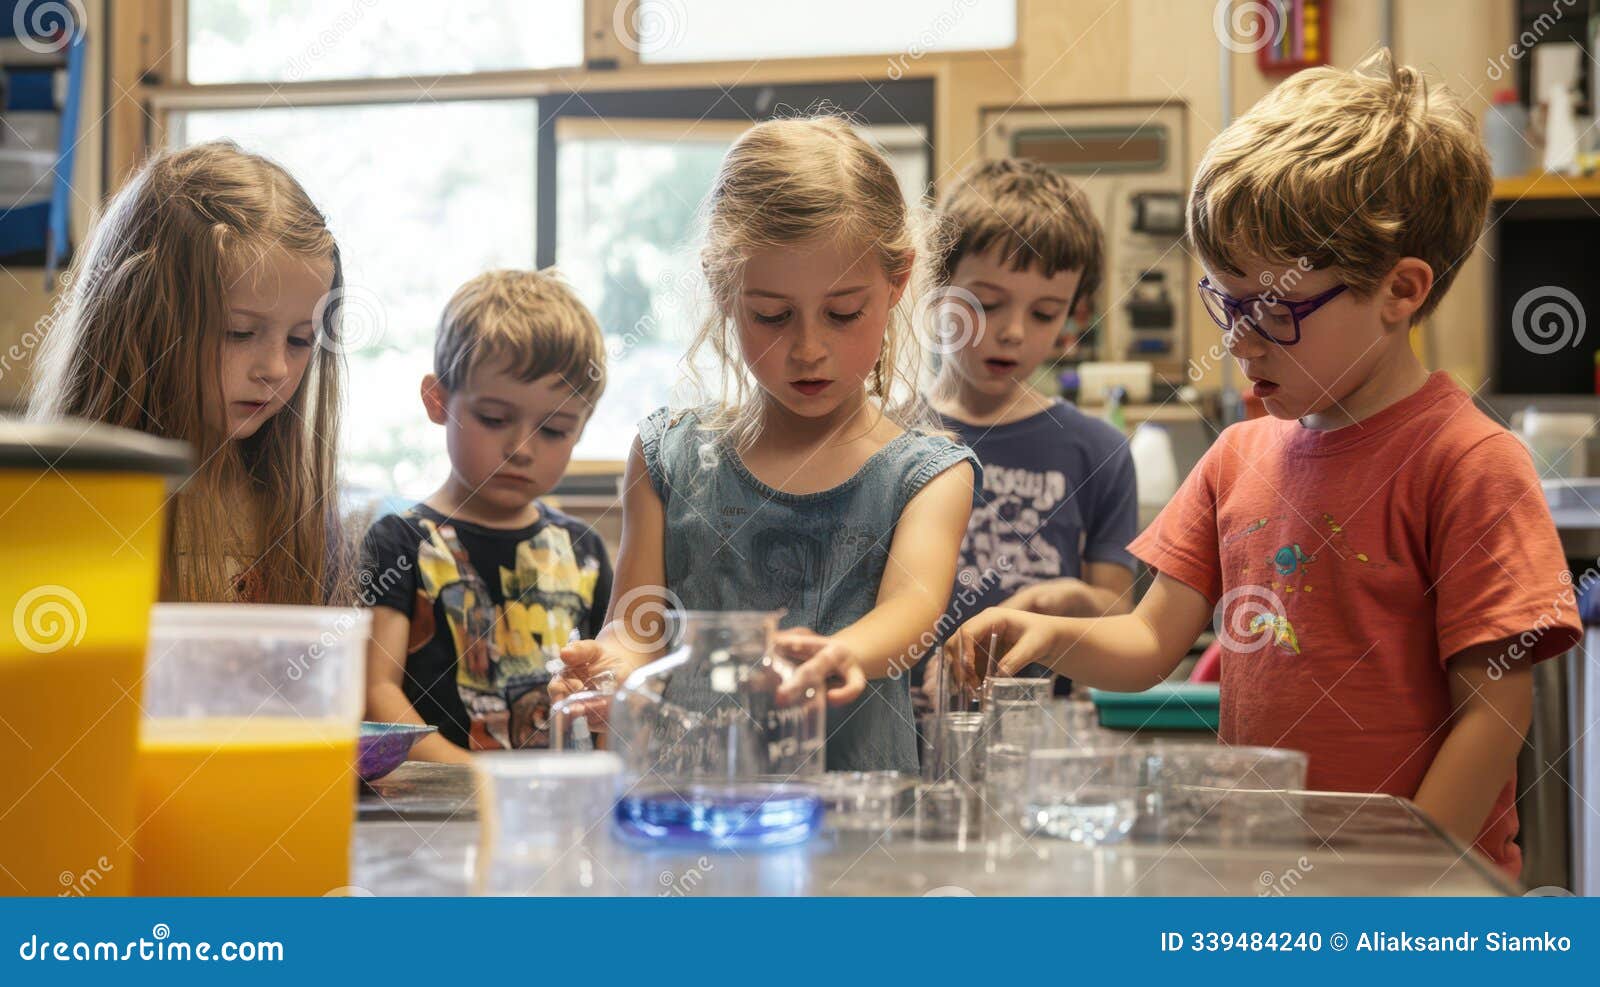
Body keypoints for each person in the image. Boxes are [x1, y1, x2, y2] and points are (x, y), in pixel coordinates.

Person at [952, 51, 1580, 876]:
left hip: (1418, 898)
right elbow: (1146, 641)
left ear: (1400, 291)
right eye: (1226, 301)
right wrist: (1048, 634)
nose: (1238, 340)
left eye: (1273, 311)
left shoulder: (1468, 463)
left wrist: (1391, 878)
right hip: (1268, 876)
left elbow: (1494, 714)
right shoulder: (1237, 455)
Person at [557, 116, 980, 773]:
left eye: (843, 313)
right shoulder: (667, 458)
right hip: (688, 815)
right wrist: (608, 666)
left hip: (858, 836)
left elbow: (912, 610)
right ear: (726, 291)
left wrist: (846, 652)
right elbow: (638, 628)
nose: (809, 348)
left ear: (897, 281)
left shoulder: (928, 475)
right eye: (772, 315)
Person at [361, 270, 613, 761]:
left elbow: (608, 692)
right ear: (438, 401)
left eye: (555, 429)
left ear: (581, 429)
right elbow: (377, 693)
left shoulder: (585, 551)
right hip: (439, 810)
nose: (521, 449)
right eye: (494, 419)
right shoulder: (398, 542)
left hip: (556, 806)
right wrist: (475, 779)